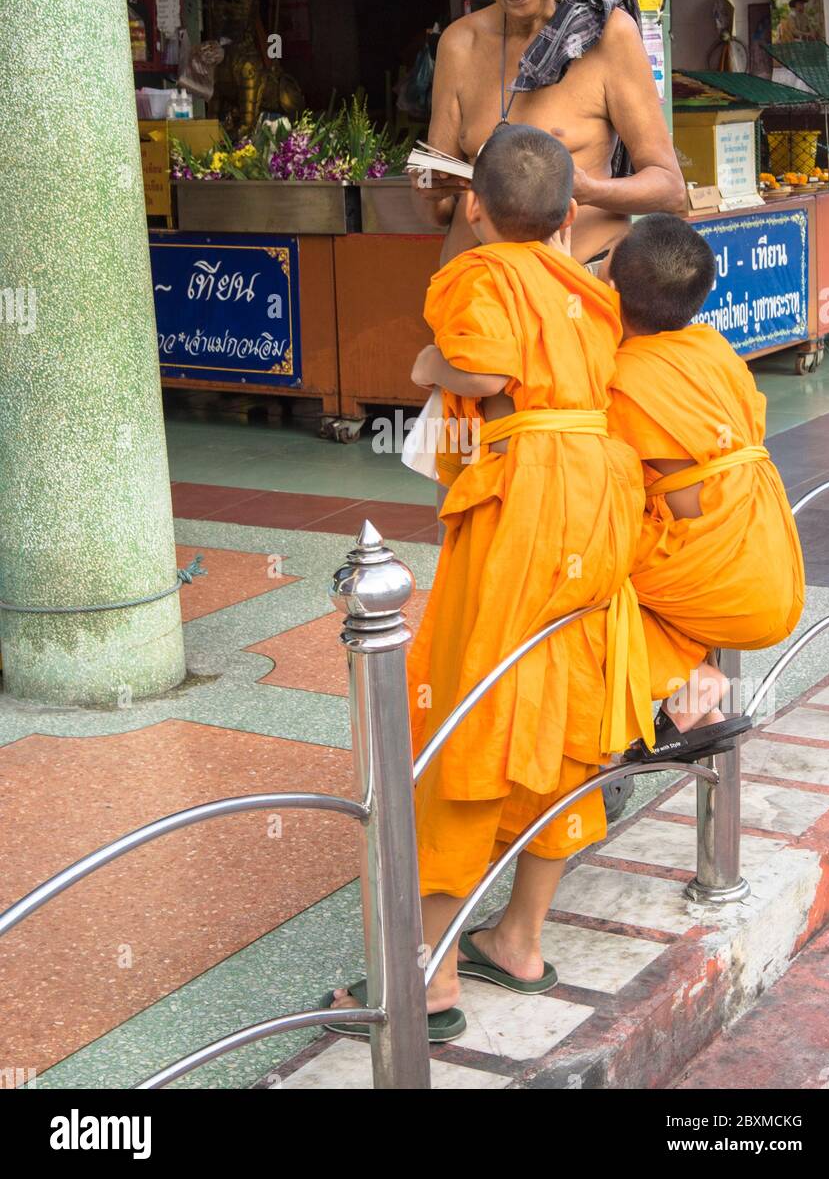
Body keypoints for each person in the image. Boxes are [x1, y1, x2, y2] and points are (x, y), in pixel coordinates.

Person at [324, 125, 653, 1041]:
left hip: (530, 505)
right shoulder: (588, 287)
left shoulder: (480, 272)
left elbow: (483, 367)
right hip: (598, 497)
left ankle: (424, 979)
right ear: (571, 213)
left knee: (473, 709)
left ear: (473, 208)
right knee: (562, 701)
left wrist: (429, 364)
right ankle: (519, 939)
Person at [409, 0, 686, 270]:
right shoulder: (458, 44)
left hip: (577, 282)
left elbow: (670, 189)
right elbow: (438, 210)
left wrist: (585, 188)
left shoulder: (607, 35)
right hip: (477, 289)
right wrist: (429, 189)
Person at [605, 214, 805, 763]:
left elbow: (600, 487)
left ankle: (693, 679)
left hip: (722, 584)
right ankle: (700, 709)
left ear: (611, 286)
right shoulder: (712, 347)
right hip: (773, 557)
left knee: (576, 566)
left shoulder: (617, 377)